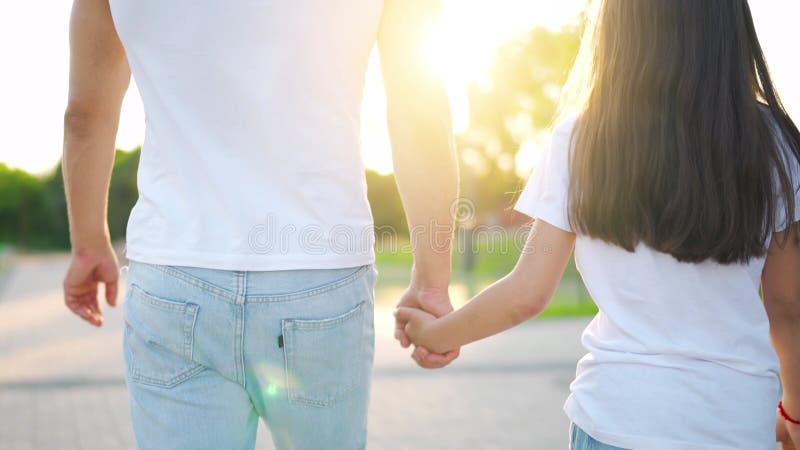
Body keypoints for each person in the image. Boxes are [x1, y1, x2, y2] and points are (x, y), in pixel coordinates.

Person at [395, 1, 800, 449]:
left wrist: (434, 333)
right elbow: (789, 308)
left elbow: (525, 295)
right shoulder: (776, 144)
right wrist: (794, 414)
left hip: (613, 420)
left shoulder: (583, 139)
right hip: (734, 425)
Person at [60, 0, 460, 448]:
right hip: (320, 274)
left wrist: (88, 243)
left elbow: (85, 114)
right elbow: (421, 115)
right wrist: (431, 282)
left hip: (175, 276)